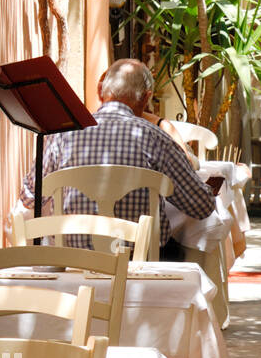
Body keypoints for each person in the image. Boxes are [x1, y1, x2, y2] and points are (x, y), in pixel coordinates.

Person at [20, 59, 216, 259]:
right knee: (182, 250)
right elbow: (202, 206)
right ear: (146, 97)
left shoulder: (62, 135)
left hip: (72, 262)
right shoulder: (156, 138)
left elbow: (29, 197)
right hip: (138, 265)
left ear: (102, 92)